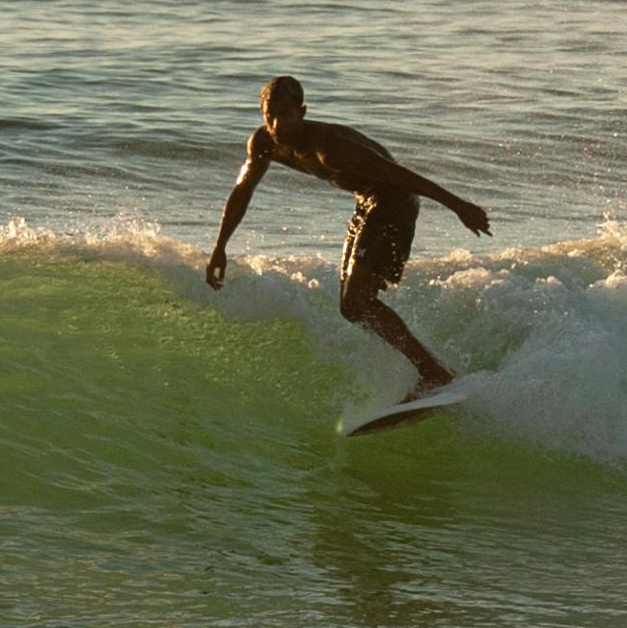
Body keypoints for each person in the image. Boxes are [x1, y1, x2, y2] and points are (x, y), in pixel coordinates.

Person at [204, 75, 490, 395]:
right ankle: (435, 369)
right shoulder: (263, 144)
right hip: (366, 205)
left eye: (285, 114)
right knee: (352, 307)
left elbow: (398, 176)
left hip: (394, 203)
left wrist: (458, 206)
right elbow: (243, 190)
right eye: (269, 115)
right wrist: (219, 247)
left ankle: (434, 372)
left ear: (302, 112)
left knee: (358, 300)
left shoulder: (330, 148)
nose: (276, 124)